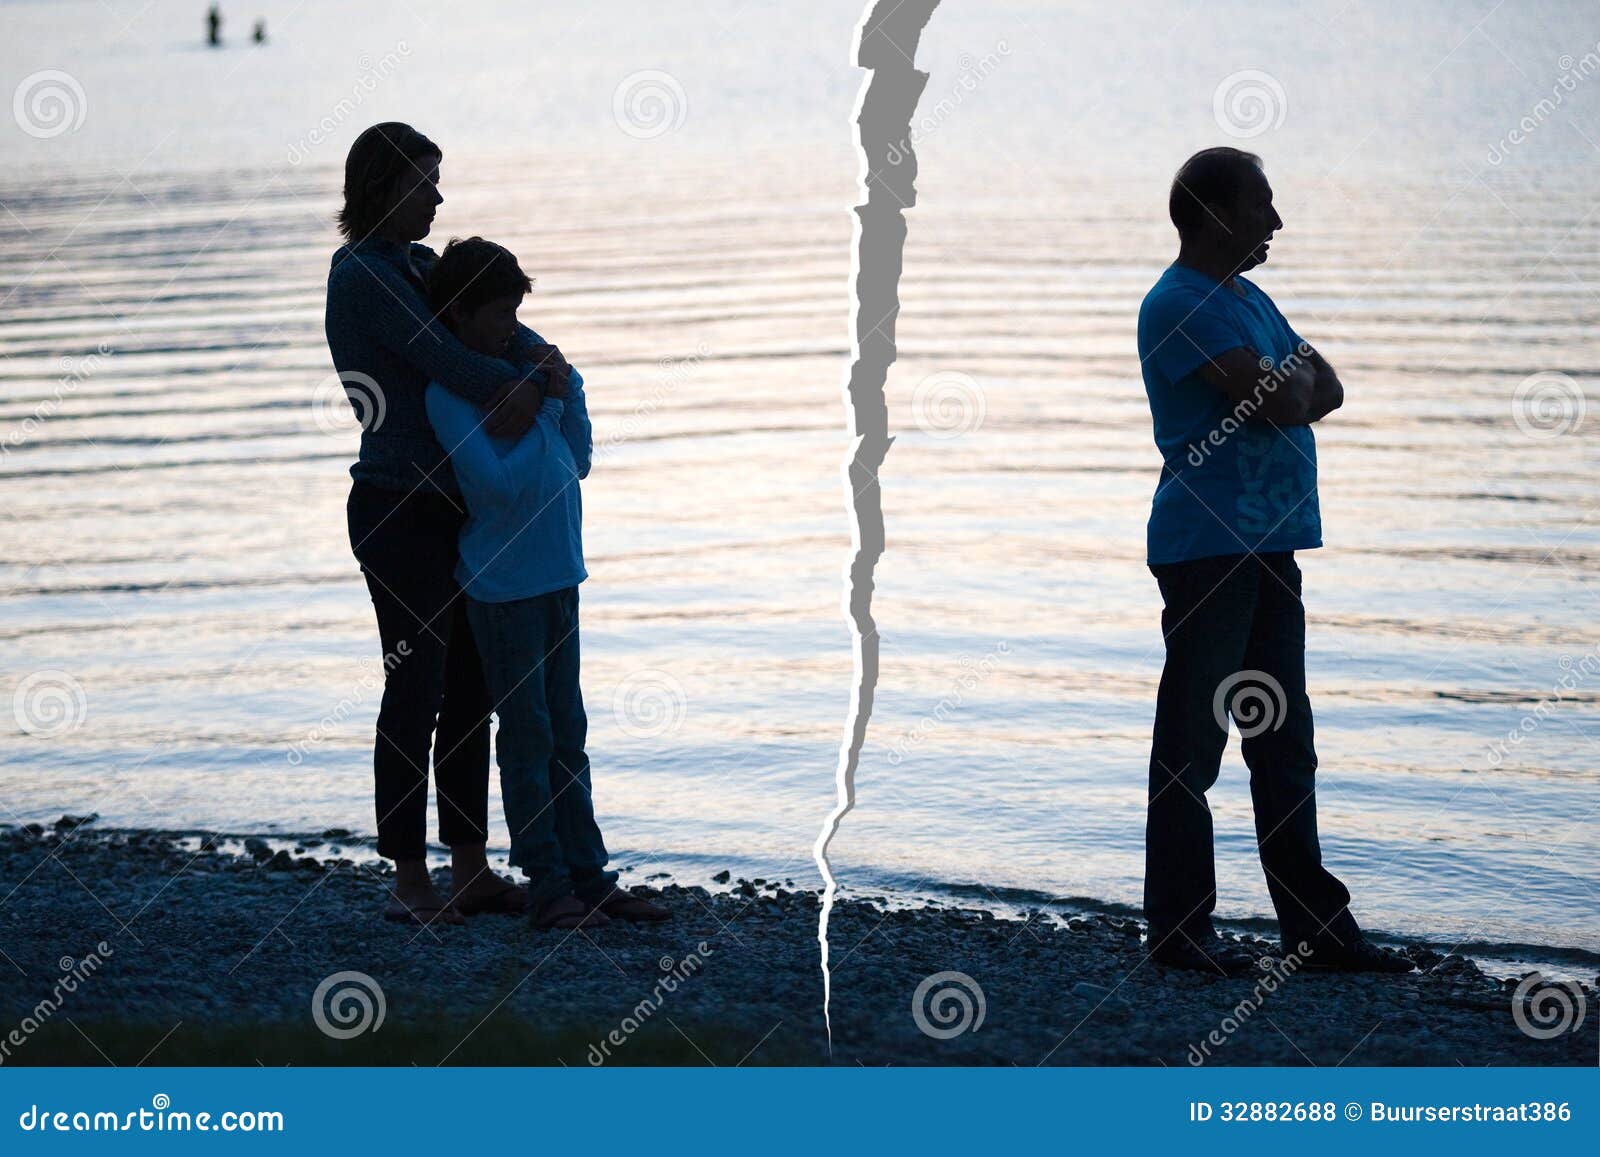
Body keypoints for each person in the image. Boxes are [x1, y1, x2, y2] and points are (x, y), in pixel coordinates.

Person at [1135, 147, 1410, 975]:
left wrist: (1287, 383)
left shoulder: (1246, 300)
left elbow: (1323, 386)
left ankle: (1316, 931)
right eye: (1262, 205)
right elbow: (1285, 396)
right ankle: (1181, 933)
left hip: (1268, 549)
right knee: (1195, 743)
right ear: (1216, 215)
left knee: (1283, 739)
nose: (1277, 222)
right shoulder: (1181, 305)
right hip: (1210, 552)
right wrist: (1286, 385)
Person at [324, 123, 560, 925]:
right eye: (425, 182)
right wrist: (523, 387)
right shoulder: (362, 276)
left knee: (471, 688)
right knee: (416, 687)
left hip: (452, 506)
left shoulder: (420, 266)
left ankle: (471, 869)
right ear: (384, 187)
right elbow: (450, 358)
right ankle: (408, 882)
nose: (438, 197)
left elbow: (494, 322)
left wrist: (545, 362)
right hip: (396, 510)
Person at [423, 237, 669, 930]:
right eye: (500, 313)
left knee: (569, 731)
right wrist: (549, 407)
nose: (512, 327)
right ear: (459, 314)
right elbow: (497, 491)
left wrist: (569, 389)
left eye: (516, 312)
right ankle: (546, 883)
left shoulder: (527, 377)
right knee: (527, 735)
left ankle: (589, 876)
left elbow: (577, 463)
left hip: (562, 574)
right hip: (503, 588)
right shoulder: (452, 393)